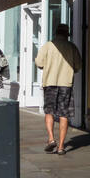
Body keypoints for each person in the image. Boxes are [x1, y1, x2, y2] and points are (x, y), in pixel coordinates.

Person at [36, 23, 82, 155]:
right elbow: (78, 66)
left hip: (50, 82)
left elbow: (39, 63)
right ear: (67, 34)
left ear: (56, 33)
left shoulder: (48, 46)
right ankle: (61, 146)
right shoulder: (72, 47)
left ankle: (51, 139)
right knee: (64, 114)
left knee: (49, 111)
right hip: (65, 84)